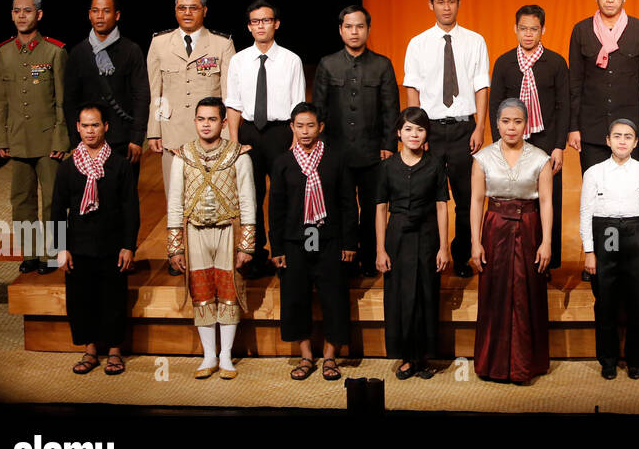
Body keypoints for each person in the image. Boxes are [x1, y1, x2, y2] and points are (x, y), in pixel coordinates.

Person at [567, 0, 639, 280]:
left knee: (631, 193)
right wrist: (573, 126)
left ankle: (632, 257)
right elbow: (574, 82)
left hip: (630, 130)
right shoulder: (581, 31)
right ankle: (600, 258)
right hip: (591, 127)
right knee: (596, 194)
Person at [404, 0, 490, 279]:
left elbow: (481, 87)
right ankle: (430, 256)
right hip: (430, 131)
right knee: (427, 197)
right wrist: (417, 132)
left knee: (467, 198)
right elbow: (412, 90)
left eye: (451, 1)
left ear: (458, 3)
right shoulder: (417, 43)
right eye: (440, 2)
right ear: (431, 5)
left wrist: (480, 126)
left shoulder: (475, 41)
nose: (446, 7)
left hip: (464, 129)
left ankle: (463, 255)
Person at [166, 97, 257, 379]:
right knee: (202, 293)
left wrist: (246, 244)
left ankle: (226, 356)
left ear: (223, 122)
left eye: (212, 119)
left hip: (228, 231)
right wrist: (175, 247)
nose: (206, 125)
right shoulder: (182, 155)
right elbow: (175, 202)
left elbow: (247, 199)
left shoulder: (239, 155)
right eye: (201, 119)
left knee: (228, 292)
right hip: (194, 232)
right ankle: (208, 356)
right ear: (195, 122)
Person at [148, 0, 235, 273]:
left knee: (212, 197)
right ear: (175, 10)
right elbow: (155, 92)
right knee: (175, 197)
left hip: (212, 136)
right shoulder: (160, 43)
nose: (187, 13)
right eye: (182, 7)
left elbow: (228, 95)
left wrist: (228, 135)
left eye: (193, 7)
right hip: (173, 133)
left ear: (204, 10)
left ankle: (213, 254)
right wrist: (154, 130)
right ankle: (177, 254)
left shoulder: (222, 44)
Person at [269, 102, 359, 381]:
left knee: (334, 296)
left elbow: (347, 203)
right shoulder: (283, 162)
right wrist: (278, 247)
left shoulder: (336, 158)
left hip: (329, 237)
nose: (305, 131)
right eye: (299, 126)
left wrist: (349, 243)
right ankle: (306, 355)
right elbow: (276, 208)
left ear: (321, 127)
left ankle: (330, 356)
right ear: (291, 128)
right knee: (295, 295)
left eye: (310, 125)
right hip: (296, 239)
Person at [51, 103, 140, 376]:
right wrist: (59, 248)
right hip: (79, 246)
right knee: (81, 299)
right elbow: (56, 209)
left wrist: (128, 246)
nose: (90, 131)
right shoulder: (67, 168)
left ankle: (114, 350)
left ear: (106, 127)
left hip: (112, 245)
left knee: (113, 298)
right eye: (85, 125)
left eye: (95, 125)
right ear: (77, 128)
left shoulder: (119, 165)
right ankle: (89, 349)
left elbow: (131, 208)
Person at [470, 99, 553, 383]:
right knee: (495, 293)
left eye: (517, 121)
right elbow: (477, 200)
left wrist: (547, 242)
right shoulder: (483, 158)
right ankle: (491, 364)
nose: (511, 127)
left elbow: (546, 202)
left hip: (529, 228)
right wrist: (474, 241)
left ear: (526, 123)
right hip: (495, 229)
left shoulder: (541, 158)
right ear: (497, 123)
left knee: (526, 293)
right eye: (506, 121)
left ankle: (526, 364)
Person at [314, 4, 400, 278]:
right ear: (340, 30)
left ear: (368, 30)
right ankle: (344, 259)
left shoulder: (382, 64)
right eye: (348, 26)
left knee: (373, 206)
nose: (354, 32)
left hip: (374, 153)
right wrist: (321, 150)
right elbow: (319, 111)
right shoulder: (328, 64)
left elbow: (391, 110)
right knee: (340, 207)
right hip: (336, 152)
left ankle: (369, 258)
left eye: (360, 26)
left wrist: (388, 145)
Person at [225, 0, 306, 277]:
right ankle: (255, 254)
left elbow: (299, 103)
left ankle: (284, 253)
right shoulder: (238, 61)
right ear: (249, 27)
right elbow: (233, 104)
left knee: (285, 195)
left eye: (266, 20)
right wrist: (234, 140)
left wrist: (295, 138)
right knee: (251, 196)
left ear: (276, 24)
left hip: (281, 132)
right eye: (255, 21)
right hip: (249, 132)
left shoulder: (291, 60)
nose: (261, 26)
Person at [490, 5, 569, 274]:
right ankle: (515, 256)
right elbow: (495, 107)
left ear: (543, 30)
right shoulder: (504, 62)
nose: (528, 34)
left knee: (547, 199)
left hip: (546, 140)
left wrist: (559, 146)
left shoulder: (556, 63)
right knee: (516, 199)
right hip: (513, 141)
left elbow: (564, 106)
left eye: (533, 29)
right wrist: (497, 147)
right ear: (515, 29)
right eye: (523, 28)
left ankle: (547, 260)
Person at [0, 0, 68, 274]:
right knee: (21, 200)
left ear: (39, 14)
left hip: (48, 139)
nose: (21, 16)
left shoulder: (54, 51)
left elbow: (62, 101)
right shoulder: (3, 53)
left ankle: (53, 252)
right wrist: (1, 137)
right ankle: (31, 253)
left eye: (26, 10)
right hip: (18, 139)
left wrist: (61, 138)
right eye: (16, 10)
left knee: (52, 199)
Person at [579, 118, 639, 379]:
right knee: (606, 303)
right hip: (607, 234)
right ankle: (608, 360)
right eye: (617, 136)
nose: (622, 141)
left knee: (638, 303)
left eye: (628, 136)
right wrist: (589, 251)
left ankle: (635, 359)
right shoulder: (594, 172)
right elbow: (585, 214)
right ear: (608, 141)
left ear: (636, 142)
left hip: (636, 237)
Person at [376, 106, 449, 380]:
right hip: (397, 236)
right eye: (408, 129)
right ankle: (406, 357)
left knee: (426, 295)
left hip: (428, 235)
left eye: (419, 129)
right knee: (400, 297)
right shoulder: (387, 166)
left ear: (426, 133)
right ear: (398, 133)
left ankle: (424, 357)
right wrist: (380, 249)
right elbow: (381, 208)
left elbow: (442, 206)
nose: (414, 134)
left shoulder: (435, 164)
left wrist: (444, 246)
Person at [64, 0, 148, 192]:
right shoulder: (78, 53)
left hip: (123, 141)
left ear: (117, 15)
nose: (100, 16)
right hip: (88, 140)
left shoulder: (131, 50)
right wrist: (75, 142)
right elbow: (69, 100)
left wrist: (137, 139)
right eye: (95, 11)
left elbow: (141, 96)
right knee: (91, 199)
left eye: (106, 11)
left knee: (124, 199)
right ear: (89, 15)